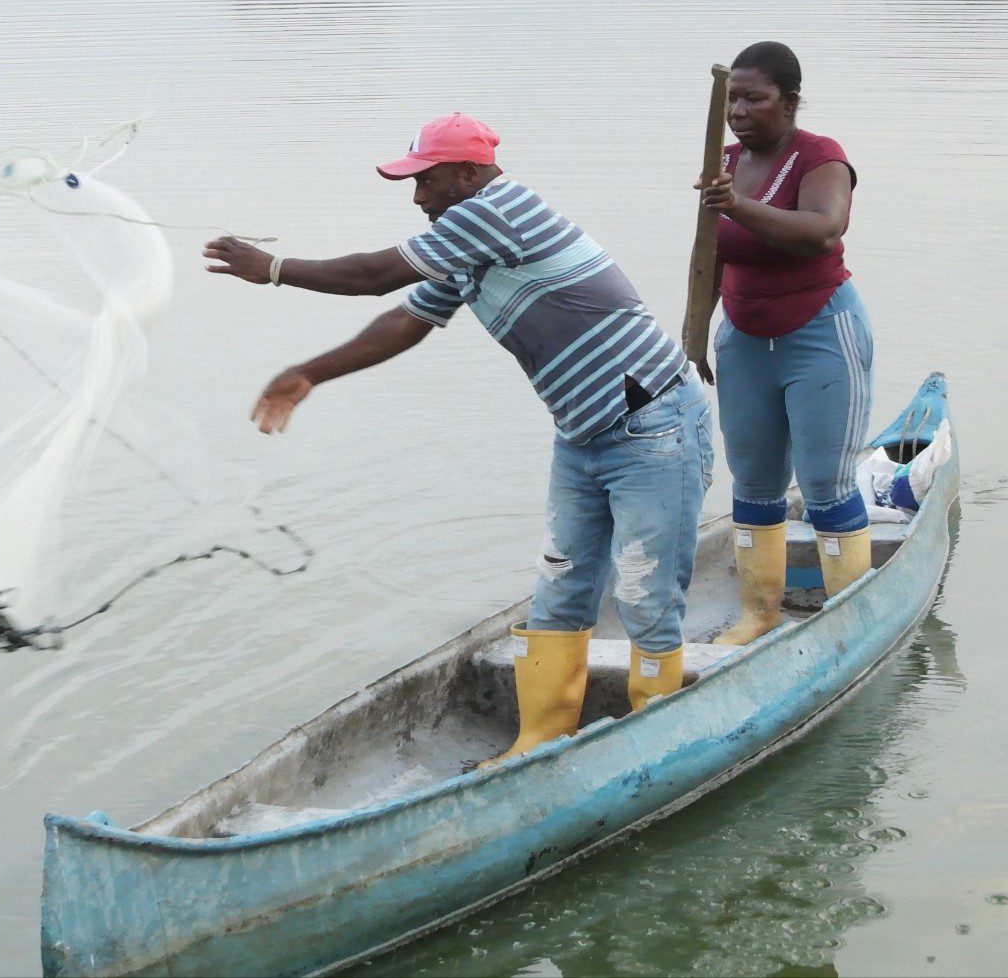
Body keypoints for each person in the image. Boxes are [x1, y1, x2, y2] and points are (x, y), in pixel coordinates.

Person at [204, 113, 711, 764]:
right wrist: (310, 373)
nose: (418, 199)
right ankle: (540, 743)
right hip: (584, 432)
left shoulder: (496, 211)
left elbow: (374, 274)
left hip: (652, 423)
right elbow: (407, 320)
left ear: (469, 174)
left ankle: (659, 743)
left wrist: (272, 267)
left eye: (428, 182)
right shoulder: (467, 237)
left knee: (645, 594)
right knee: (560, 590)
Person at [696, 41, 874, 645]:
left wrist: (738, 206)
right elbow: (708, 257)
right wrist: (695, 339)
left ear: (789, 101)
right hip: (744, 340)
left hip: (820, 330)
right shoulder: (722, 161)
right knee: (752, 479)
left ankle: (850, 619)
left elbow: (824, 232)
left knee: (826, 481)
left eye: (755, 98)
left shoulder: (820, 157)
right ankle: (758, 615)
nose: (740, 111)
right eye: (733, 100)